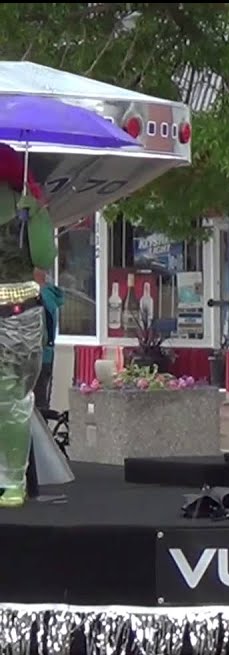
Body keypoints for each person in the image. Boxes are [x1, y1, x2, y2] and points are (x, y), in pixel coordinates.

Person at [0, 143, 56, 507]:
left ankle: (12, 479)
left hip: (17, 312)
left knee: (10, 399)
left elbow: (44, 257)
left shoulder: (24, 208)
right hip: (20, 312)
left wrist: (34, 215)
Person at [33, 268, 64, 413]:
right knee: (42, 399)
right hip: (47, 355)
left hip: (36, 355)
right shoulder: (50, 296)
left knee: (35, 403)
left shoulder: (39, 298)